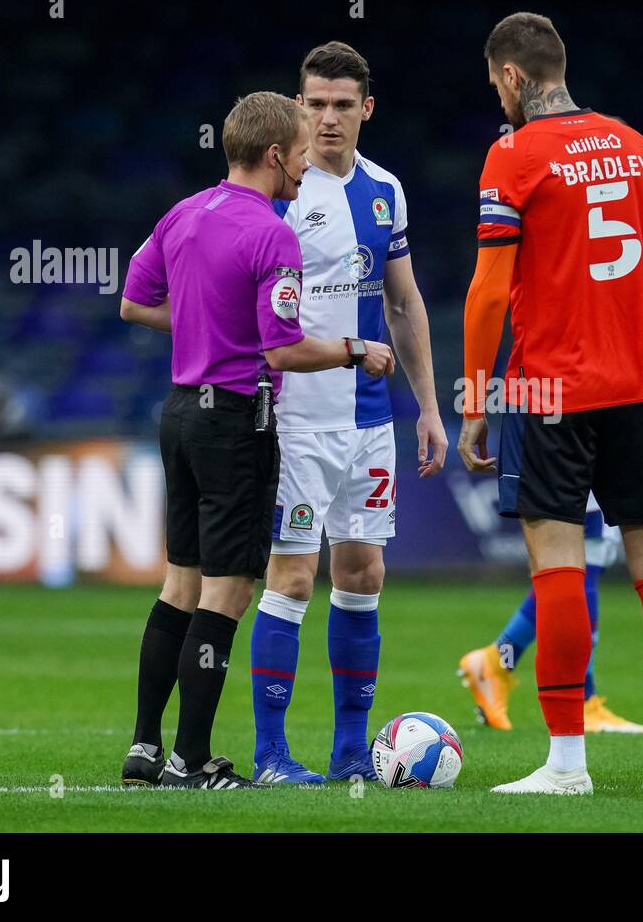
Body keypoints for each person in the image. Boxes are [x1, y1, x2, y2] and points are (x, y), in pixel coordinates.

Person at [456, 12, 643, 795]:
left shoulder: (513, 153)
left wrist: (475, 397)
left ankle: (567, 766)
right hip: (636, 389)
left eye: (494, 84)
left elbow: (490, 290)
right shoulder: (641, 150)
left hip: (548, 391)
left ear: (511, 76)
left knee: (559, 570)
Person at [118, 91, 392, 789]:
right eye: (300, 155)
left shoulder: (186, 211)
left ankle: (146, 748)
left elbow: (133, 300)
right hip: (235, 423)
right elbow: (283, 350)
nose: (305, 169)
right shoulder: (273, 232)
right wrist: (356, 348)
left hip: (178, 414)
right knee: (228, 592)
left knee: (178, 583)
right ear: (275, 154)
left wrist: (207, 329)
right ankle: (194, 759)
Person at [248, 42, 445, 784]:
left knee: (363, 573)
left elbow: (402, 300)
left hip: (370, 418)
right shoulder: (281, 192)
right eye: (314, 104)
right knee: (293, 579)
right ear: (298, 107)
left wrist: (428, 407)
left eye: (340, 105)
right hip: (298, 418)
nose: (326, 118)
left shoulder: (386, 190)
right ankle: (270, 755)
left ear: (367, 108)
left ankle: (348, 754)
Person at [457, 496, 643, 734]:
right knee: (582, 561)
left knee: (579, 565)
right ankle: (584, 699)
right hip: (580, 468)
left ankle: (498, 660)